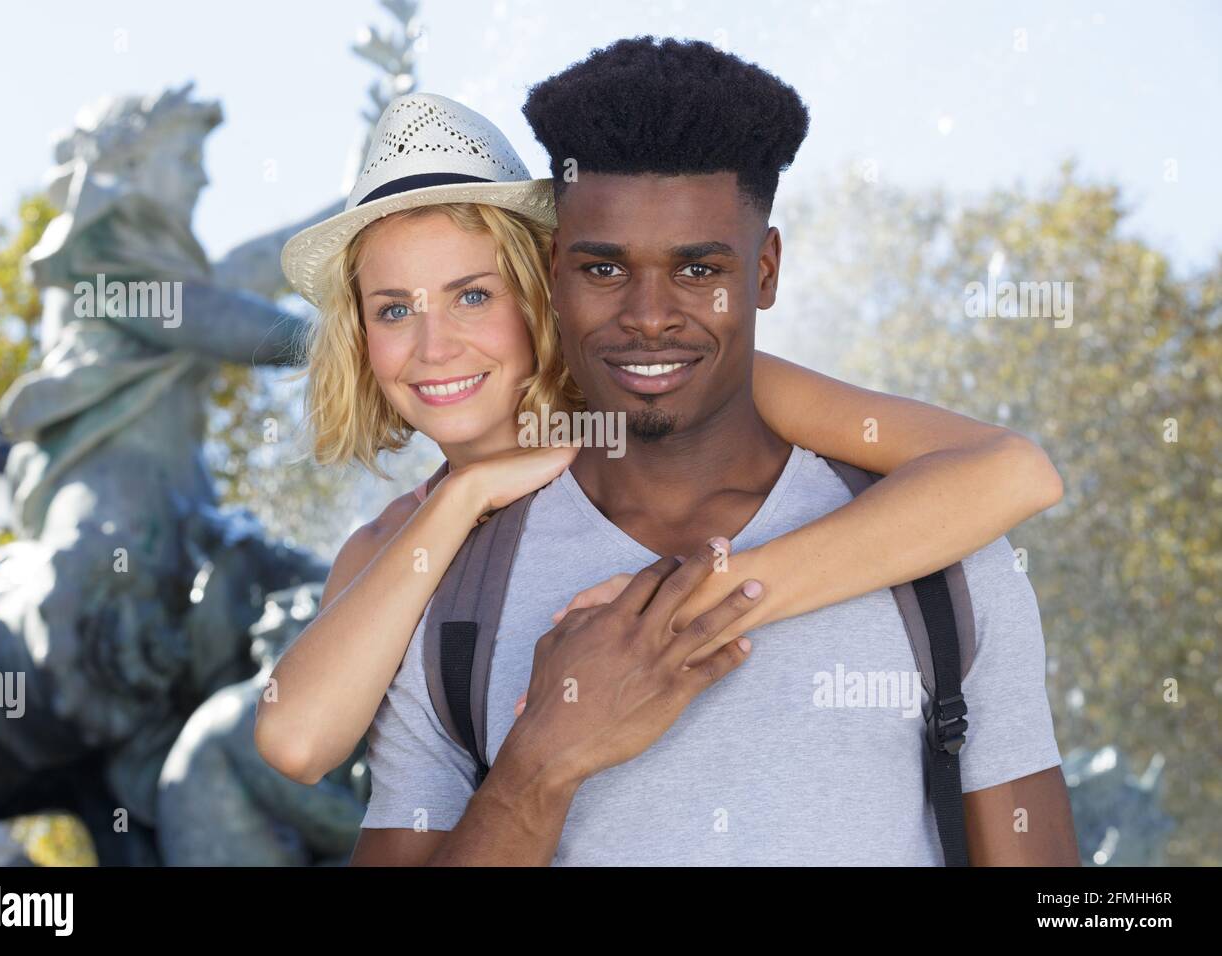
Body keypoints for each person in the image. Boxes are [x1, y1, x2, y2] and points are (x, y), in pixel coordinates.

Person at [259, 43, 1074, 864]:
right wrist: (465, 504)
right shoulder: (417, 567)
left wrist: (689, 607)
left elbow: (1011, 473)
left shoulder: (730, 394)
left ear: (538, 286)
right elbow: (295, 738)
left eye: (473, 294)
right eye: (394, 310)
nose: (437, 346)